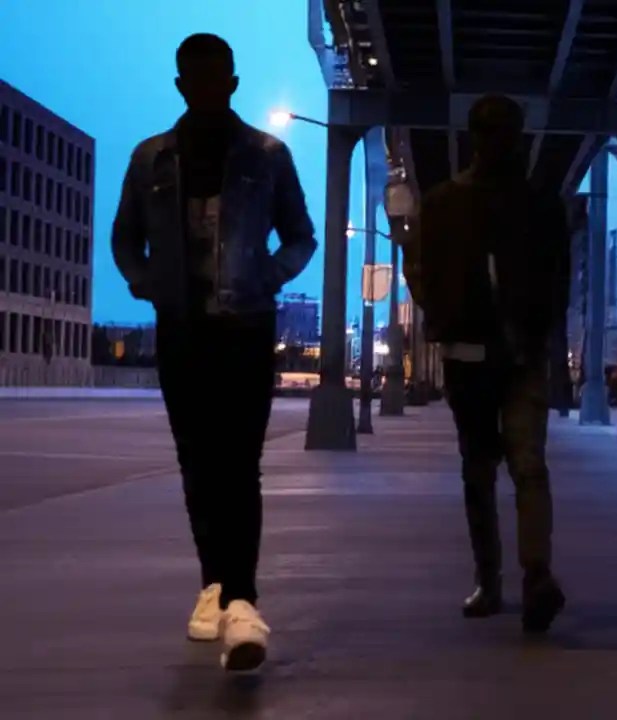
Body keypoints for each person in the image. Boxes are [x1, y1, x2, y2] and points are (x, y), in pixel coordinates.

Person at [110, 34, 317, 672]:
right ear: (180, 85)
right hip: (182, 329)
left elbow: (301, 237)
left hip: (246, 326)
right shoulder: (151, 160)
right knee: (197, 462)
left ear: (231, 82)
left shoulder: (266, 155)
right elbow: (124, 240)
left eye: (214, 78)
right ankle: (216, 588)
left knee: (239, 463)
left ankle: (240, 596)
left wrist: (266, 275)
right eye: (192, 79)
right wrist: (148, 285)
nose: (203, 88)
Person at [403, 94, 570, 634]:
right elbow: (420, 268)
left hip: (518, 354)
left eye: (508, 133)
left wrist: (536, 327)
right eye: (494, 133)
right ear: (478, 137)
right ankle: (495, 579)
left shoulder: (538, 205)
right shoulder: (446, 203)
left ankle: (532, 576)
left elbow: (557, 278)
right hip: (472, 354)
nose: (502, 143)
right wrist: (446, 317)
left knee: (522, 464)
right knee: (484, 469)